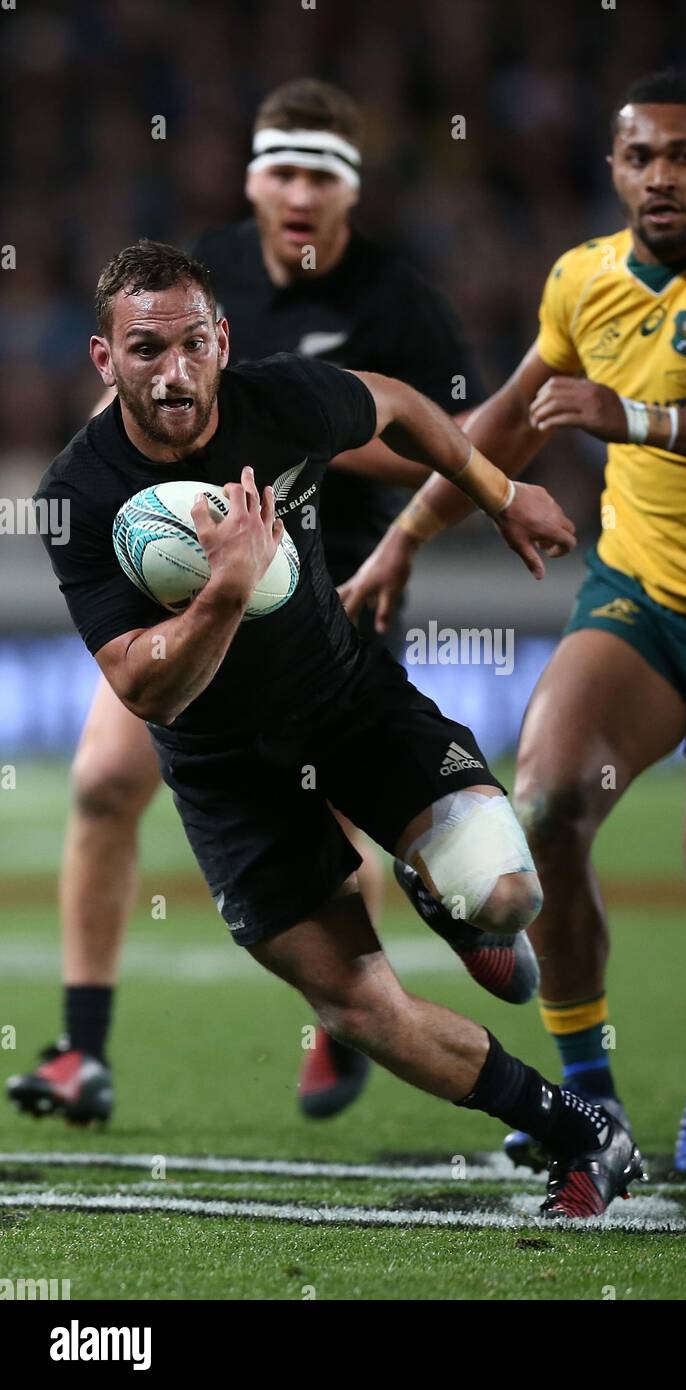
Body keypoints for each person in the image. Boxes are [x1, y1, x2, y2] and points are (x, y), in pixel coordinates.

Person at [24, 240, 644, 1220]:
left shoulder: (281, 402)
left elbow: (397, 403)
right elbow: (144, 692)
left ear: (222, 340)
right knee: (356, 1007)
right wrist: (226, 591)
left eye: (192, 343)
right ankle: (580, 1127)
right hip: (226, 771)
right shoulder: (75, 497)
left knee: (509, 898)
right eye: (145, 349)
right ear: (104, 360)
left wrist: (499, 494)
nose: (173, 370)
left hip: (345, 703)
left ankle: (441, 892)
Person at [338, 71, 686, 1174]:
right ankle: (586, 1089)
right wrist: (405, 538)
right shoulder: (584, 279)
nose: (659, 174)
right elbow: (506, 424)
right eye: (639, 157)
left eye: (682, 154)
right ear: (613, 170)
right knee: (548, 802)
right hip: (643, 603)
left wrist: (641, 417)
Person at [7, 78, 488, 1125]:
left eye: (320, 170)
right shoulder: (204, 275)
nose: (297, 190)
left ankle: (361, 995)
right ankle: (80, 1052)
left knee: (333, 802)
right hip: (193, 580)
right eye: (280, 167)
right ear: (253, 179)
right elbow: (130, 401)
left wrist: (399, 514)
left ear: (350, 189)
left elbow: (443, 435)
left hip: (335, 580)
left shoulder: (396, 305)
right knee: (101, 780)